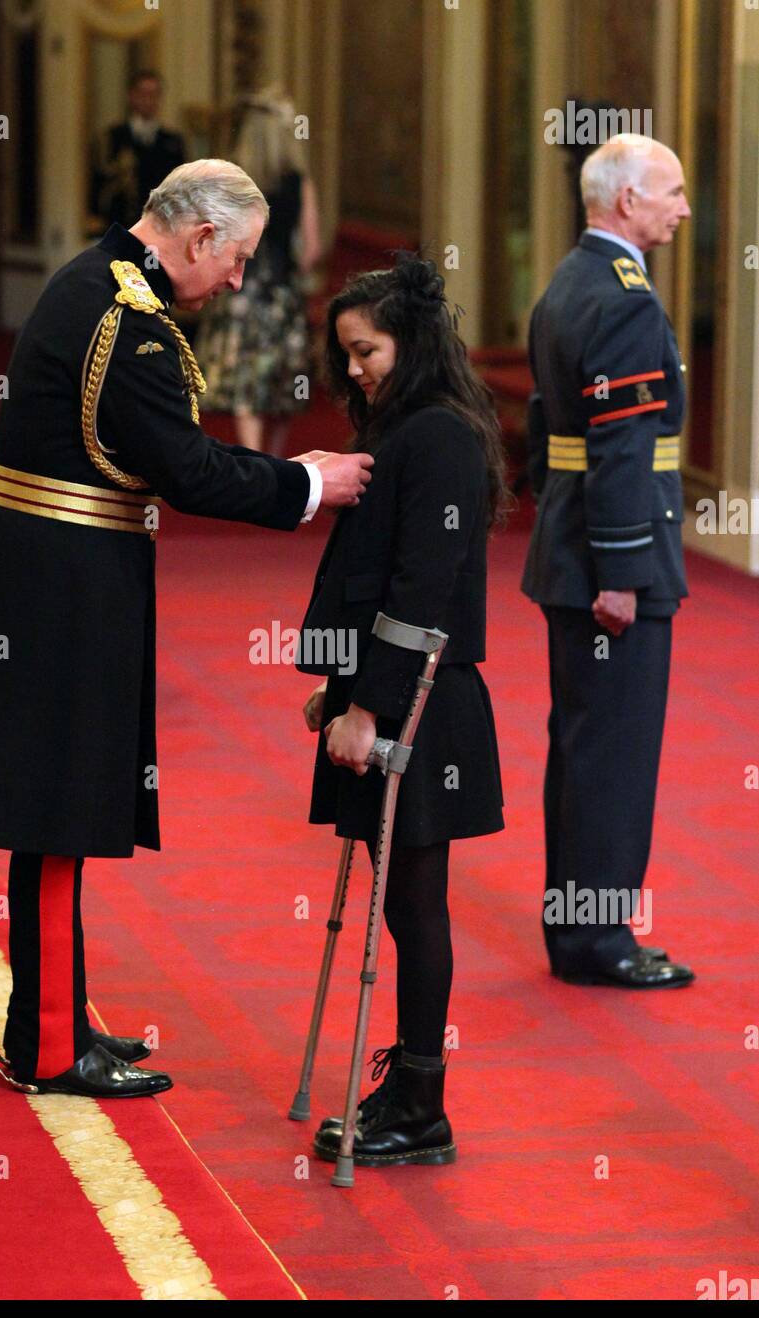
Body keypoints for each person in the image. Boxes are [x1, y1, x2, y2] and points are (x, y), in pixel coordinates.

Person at [0, 160, 373, 1100]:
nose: (240, 280)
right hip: (61, 593)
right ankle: (51, 1050)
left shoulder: (104, 282)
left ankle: (50, 1020)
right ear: (201, 236)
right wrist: (308, 483)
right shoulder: (124, 319)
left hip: (58, 580)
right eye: (239, 259)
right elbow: (186, 469)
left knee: (62, 808)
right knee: (56, 816)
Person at [296, 253, 508, 1168]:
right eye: (345, 354)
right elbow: (369, 577)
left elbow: (420, 591)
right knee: (401, 900)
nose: (353, 370)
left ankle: (422, 1104)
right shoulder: (404, 428)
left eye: (366, 350)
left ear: (411, 342)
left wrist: (368, 709)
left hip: (421, 703)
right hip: (387, 690)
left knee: (414, 904)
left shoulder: (438, 437)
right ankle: (415, 1094)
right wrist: (339, 685)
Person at [521, 133, 695, 988]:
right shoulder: (623, 297)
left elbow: (539, 421)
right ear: (626, 200)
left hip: (569, 544)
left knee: (584, 748)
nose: (683, 208)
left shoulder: (569, 279)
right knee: (612, 757)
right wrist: (623, 571)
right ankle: (597, 941)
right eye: (670, 191)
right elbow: (622, 443)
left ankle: (580, 929)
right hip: (612, 555)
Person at [194, 89, 321, 457]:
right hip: (281, 293)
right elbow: (311, 250)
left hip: (241, 293)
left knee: (244, 384)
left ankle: (255, 458)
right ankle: (276, 457)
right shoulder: (299, 181)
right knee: (283, 385)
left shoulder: (234, 184)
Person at [90, 70, 186, 230]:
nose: (148, 100)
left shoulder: (173, 140)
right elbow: (100, 179)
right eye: (143, 93)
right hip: (120, 222)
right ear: (131, 96)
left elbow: (180, 185)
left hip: (160, 223)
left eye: (154, 94)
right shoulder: (113, 137)